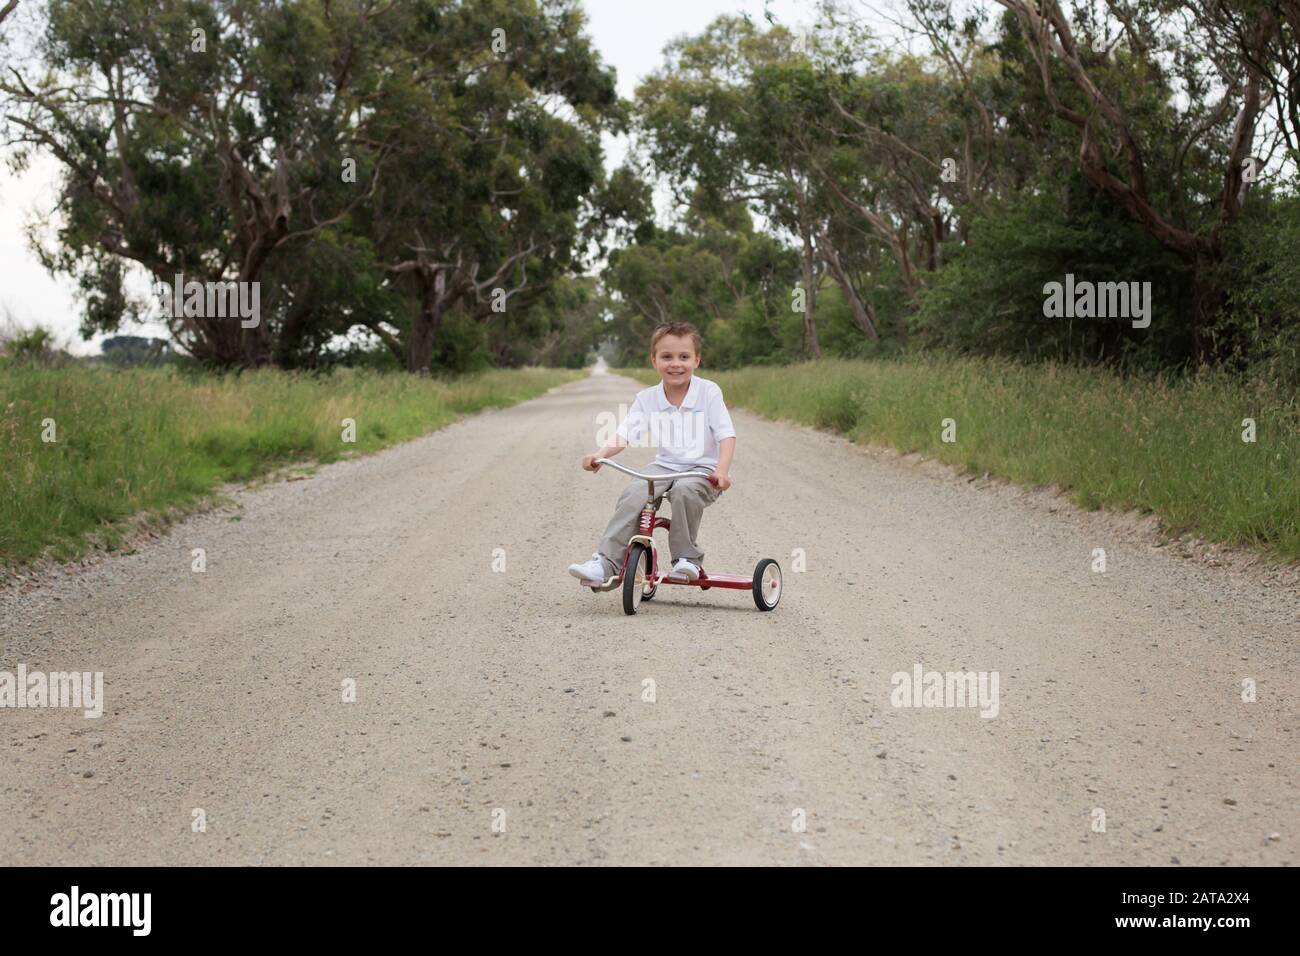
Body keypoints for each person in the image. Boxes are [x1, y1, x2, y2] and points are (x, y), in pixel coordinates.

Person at [568, 321, 736, 585]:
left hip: (702, 470)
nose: (675, 364)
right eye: (666, 357)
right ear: (654, 361)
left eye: (684, 356)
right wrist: (600, 454)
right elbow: (625, 433)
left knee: (685, 491)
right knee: (634, 493)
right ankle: (606, 563)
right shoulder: (648, 398)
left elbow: (726, 435)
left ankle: (686, 559)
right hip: (664, 467)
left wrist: (722, 471)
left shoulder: (708, 392)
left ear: (697, 360)